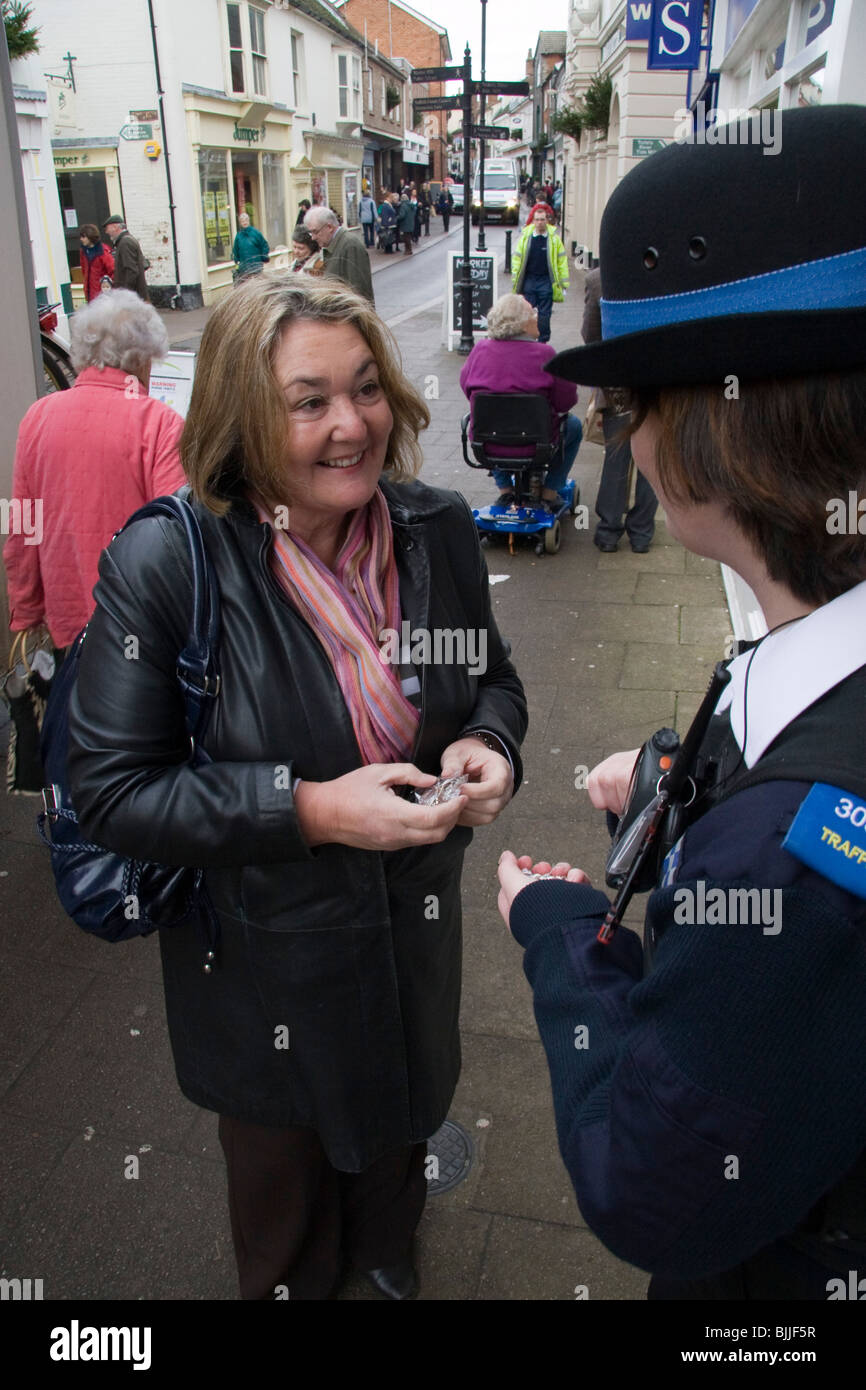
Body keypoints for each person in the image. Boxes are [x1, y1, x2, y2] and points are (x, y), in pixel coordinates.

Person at [65, 275, 527, 1302]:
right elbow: (112, 788)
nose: (351, 424)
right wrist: (312, 810)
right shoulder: (169, 562)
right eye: (307, 400)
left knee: (391, 1205)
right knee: (287, 1243)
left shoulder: (435, 528)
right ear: (239, 414)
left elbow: (490, 679)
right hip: (265, 973)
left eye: (365, 389)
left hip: (412, 949)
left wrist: (491, 741)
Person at [497, 103, 866, 1301]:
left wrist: (560, 941)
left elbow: (648, 1179)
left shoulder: (799, 853)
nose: (625, 440)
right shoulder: (804, 651)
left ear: (709, 435)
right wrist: (672, 794)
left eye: (626, 407)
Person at [4, 290, 185, 650]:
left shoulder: (37, 417)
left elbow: (23, 524)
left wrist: (25, 610)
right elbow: (173, 535)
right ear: (143, 360)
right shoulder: (159, 422)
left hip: (67, 620)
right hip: (139, 624)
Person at [459, 293, 581, 509]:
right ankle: (550, 492)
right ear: (523, 323)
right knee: (574, 426)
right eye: (533, 312)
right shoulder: (546, 354)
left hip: (487, 446)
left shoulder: (479, 350)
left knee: (488, 418)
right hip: (537, 446)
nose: (537, 315)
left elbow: (466, 386)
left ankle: (505, 490)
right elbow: (566, 402)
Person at [582, 267, 658, 553]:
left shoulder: (598, 279)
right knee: (651, 454)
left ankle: (609, 532)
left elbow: (591, 334)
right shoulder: (660, 272)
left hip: (617, 381)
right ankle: (641, 534)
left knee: (616, 455)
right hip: (655, 382)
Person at [511, 205, 569, 344]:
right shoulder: (526, 238)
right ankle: (528, 340)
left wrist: (563, 284)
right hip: (529, 280)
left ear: (547, 220)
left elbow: (562, 261)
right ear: (533, 221)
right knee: (527, 313)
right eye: (537, 219)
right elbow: (517, 259)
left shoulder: (554, 240)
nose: (540, 222)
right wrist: (515, 280)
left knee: (544, 315)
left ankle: (543, 341)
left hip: (546, 281)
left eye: (542, 219)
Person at [304, 206, 374, 304]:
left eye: (315, 232)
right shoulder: (332, 245)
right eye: (310, 233)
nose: (313, 238)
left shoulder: (350, 246)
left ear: (329, 227)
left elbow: (359, 293)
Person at [103, 216, 149, 301]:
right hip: (134, 295)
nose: (106, 232)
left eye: (107, 228)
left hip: (132, 297)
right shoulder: (125, 241)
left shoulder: (125, 242)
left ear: (115, 227)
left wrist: (126, 294)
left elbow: (131, 270)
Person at [78, 223, 114, 302]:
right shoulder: (83, 252)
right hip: (89, 294)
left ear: (90, 236)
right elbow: (84, 271)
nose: (81, 239)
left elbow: (112, 270)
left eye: (83, 237)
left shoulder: (103, 252)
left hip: (102, 294)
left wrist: (108, 290)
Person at [232, 211, 270, 279]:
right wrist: (236, 261)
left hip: (256, 266)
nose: (244, 222)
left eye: (246, 220)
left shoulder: (256, 233)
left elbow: (264, 245)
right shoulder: (239, 236)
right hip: (244, 268)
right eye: (242, 221)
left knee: (257, 283)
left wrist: (264, 257)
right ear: (240, 223)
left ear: (249, 221)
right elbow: (235, 250)